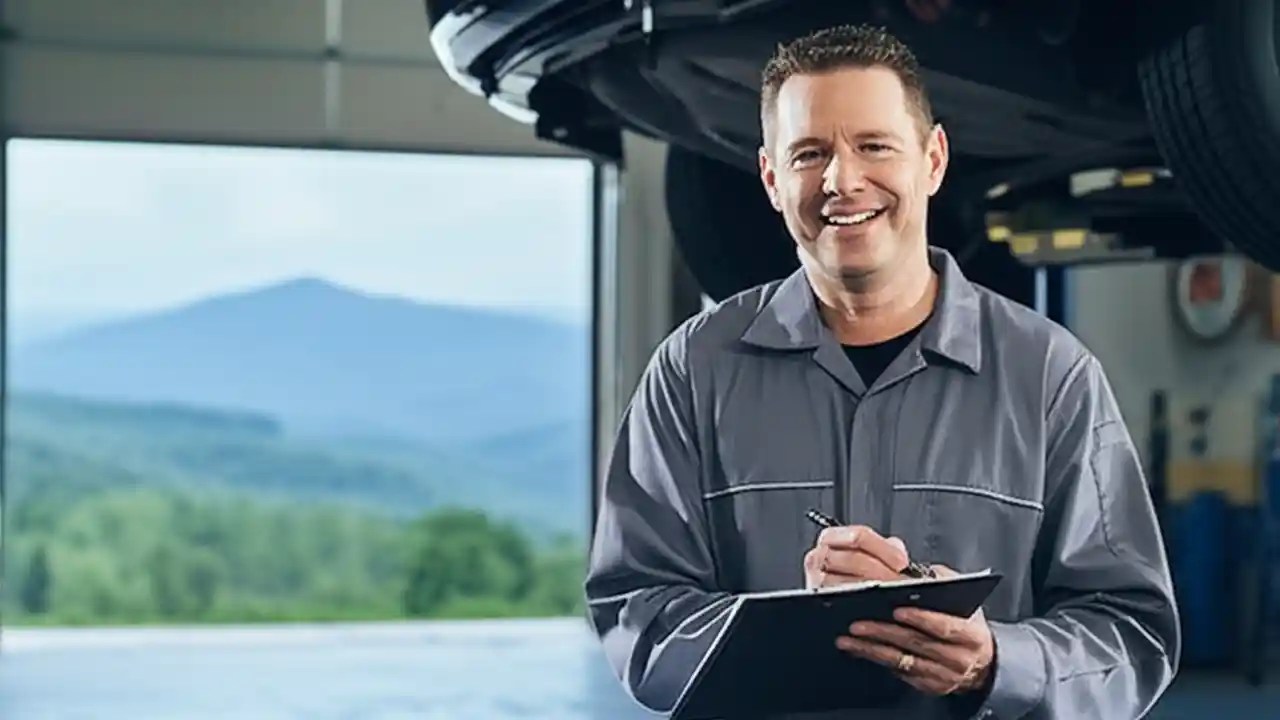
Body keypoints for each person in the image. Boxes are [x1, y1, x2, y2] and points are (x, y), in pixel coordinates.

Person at [584, 23, 1179, 720]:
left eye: (873, 146)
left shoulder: (1050, 375)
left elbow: (1133, 637)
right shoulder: (693, 372)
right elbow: (637, 612)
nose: (842, 180)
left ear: (932, 160)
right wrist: (786, 636)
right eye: (809, 154)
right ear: (773, 180)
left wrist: (995, 662)